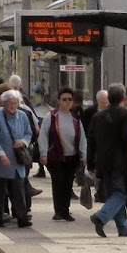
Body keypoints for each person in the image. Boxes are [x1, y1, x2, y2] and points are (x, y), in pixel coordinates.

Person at [88, 83, 127, 238]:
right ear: (123, 98)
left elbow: (91, 141)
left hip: (103, 162)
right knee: (121, 194)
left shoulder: (98, 116)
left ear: (108, 97)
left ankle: (123, 228)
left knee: (113, 194)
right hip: (119, 161)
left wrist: (90, 163)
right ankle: (101, 217)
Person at [37, 88, 86, 222]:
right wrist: (43, 153)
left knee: (68, 184)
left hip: (72, 157)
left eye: (70, 99)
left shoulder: (76, 119)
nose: (67, 102)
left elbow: (82, 138)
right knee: (58, 183)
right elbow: (43, 136)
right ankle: (58, 211)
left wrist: (83, 155)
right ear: (59, 101)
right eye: (64, 99)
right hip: (55, 157)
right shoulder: (51, 117)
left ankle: (66, 210)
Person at [0, 89, 32, 228]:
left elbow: (28, 133)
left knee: (19, 190)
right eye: (10, 103)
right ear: (4, 103)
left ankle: (22, 217)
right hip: (0, 161)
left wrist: (23, 141)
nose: (13, 106)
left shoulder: (23, 116)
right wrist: (0, 154)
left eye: (15, 103)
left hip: (17, 161)